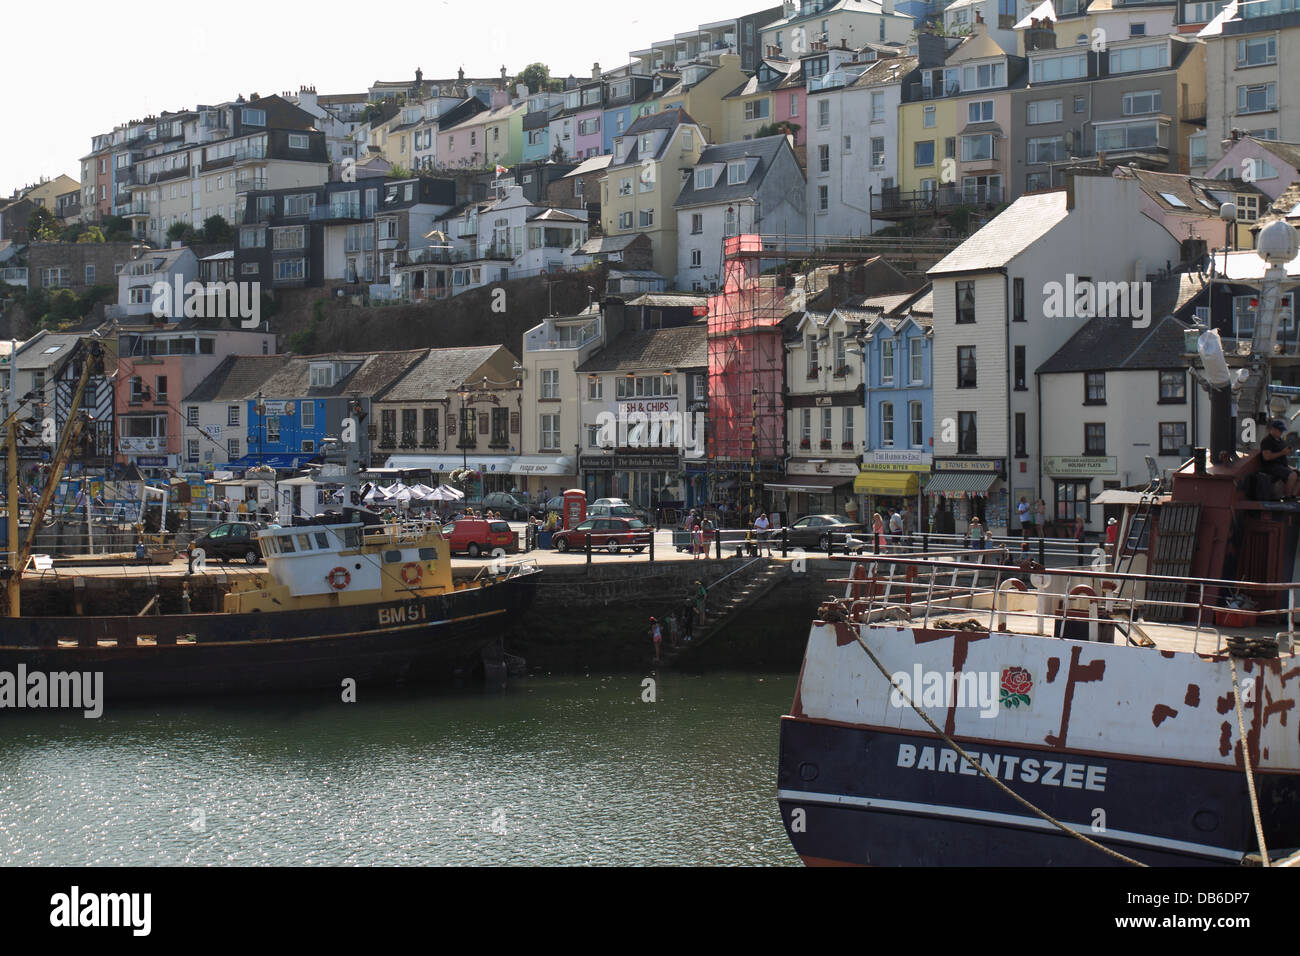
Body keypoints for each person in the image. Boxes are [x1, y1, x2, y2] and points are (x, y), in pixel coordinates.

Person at [1260, 419, 1300, 498]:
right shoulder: (1267, 441)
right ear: (1273, 429)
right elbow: (1266, 457)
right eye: (1280, 430)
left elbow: (1283, 451)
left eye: (1282, 430)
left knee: (1298, 474)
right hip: (1271, 466)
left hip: (1282, 465)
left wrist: (1287, 451)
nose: (1281, 432)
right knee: (1292, 475)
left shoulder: (1279, 440)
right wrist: (1282, 453)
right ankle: (1287, 497)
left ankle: (1293, 495)